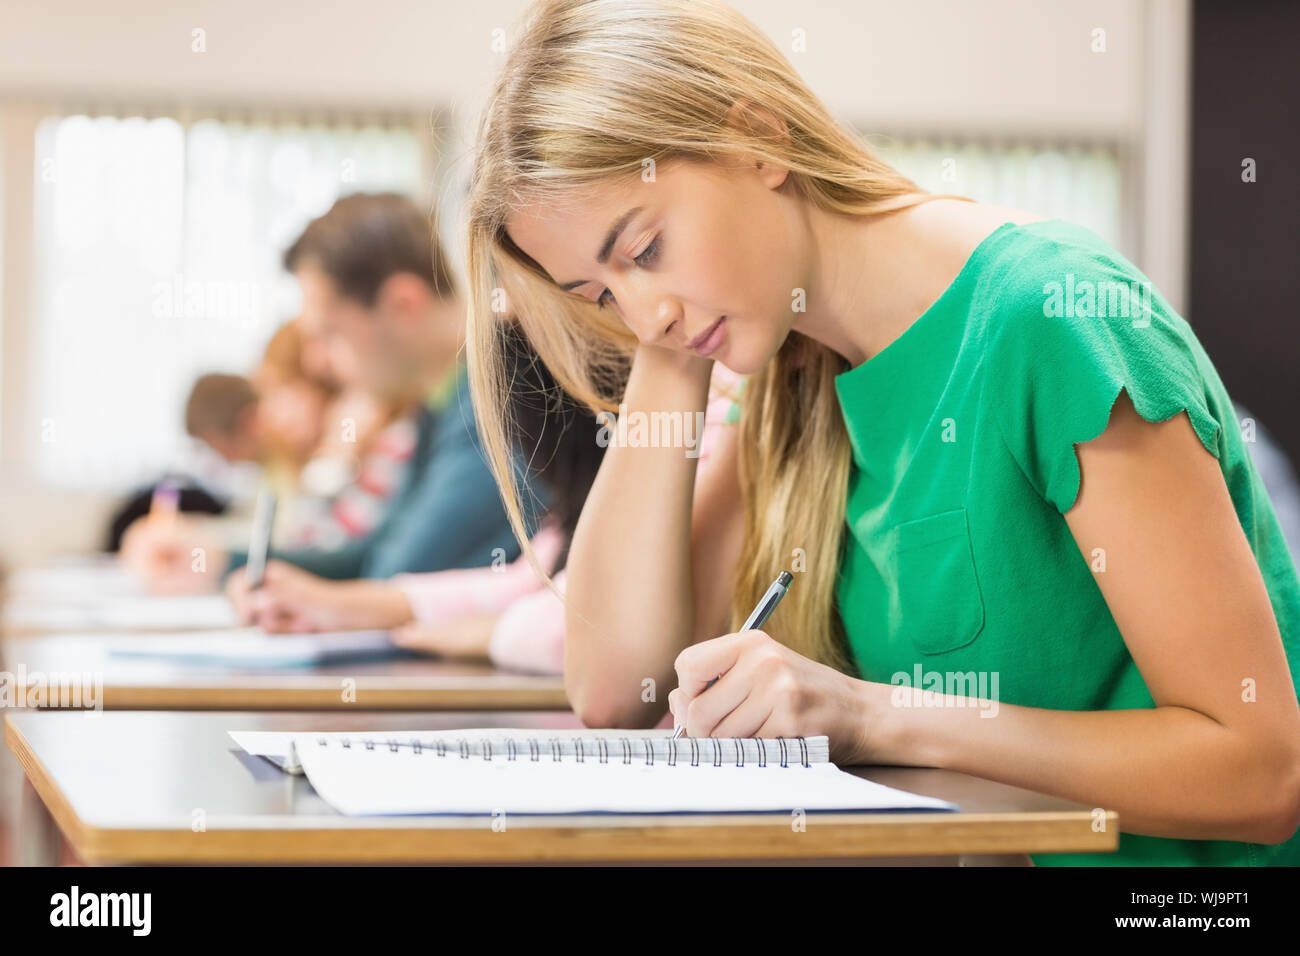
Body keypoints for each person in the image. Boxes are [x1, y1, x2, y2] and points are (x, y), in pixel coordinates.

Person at [458, 0, 1300, 866]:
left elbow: (1261, 771)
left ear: (757, 137)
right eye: (599, 296)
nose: (640, 313)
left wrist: (871, 713)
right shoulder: (792, 375)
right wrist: (671, 352)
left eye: (644, 249)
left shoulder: (1049, 318)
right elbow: (612, 689)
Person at [224, 320, 740, 674]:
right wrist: (338, 606)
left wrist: (489, 630)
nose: (325, 362)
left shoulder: (702, 386)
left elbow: (613, 636)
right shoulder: (445, 406)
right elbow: (534, 579)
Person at [123, 193, 541, 591]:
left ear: (402, 305)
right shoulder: (438, 406)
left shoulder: (503, 393)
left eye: (331, 334)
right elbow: (369, 556)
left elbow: (394, 574)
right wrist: (222, 559)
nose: (317, 363)